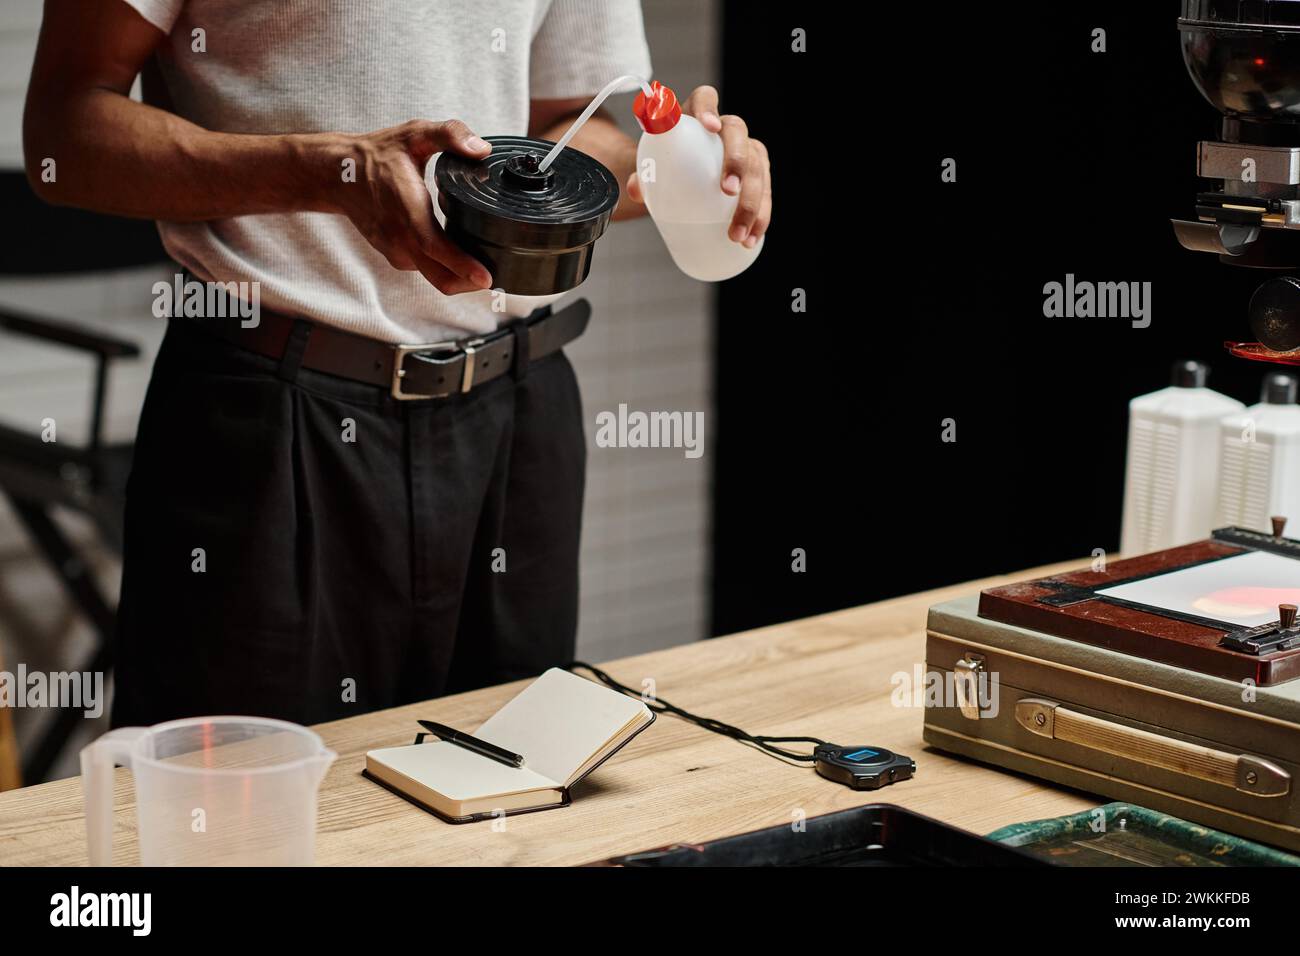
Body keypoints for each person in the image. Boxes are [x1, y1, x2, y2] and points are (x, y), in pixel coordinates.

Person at [22, 0, 771, 726]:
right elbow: (63, 138)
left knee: (509, 804)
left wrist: (685, 169)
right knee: (241, 819)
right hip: (272, 420)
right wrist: (330, 172)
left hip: (519, 418)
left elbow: (562, 127)